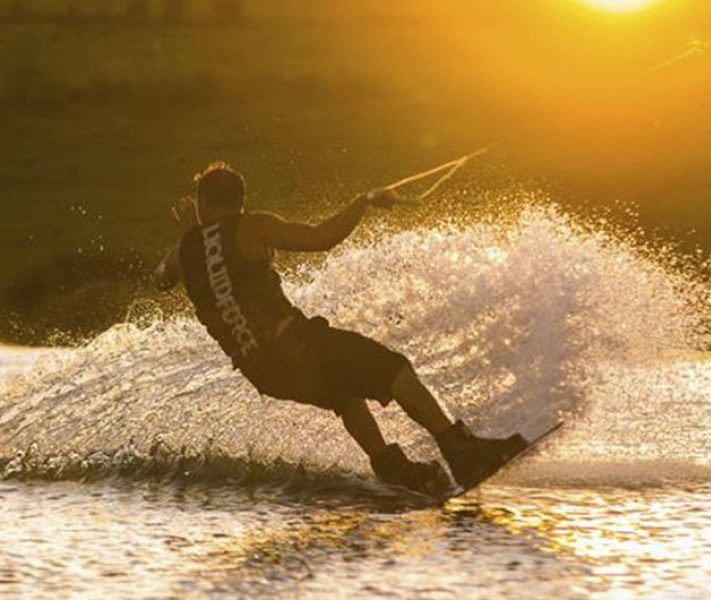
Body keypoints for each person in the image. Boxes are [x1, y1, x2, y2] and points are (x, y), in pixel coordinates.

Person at [154, 162, 524, 496]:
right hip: (295, 345)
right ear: (240, 200)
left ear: (202, 203)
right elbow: (321, 238)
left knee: (344, 394)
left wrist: (190, 235)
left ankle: (395, 470)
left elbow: (161, 280)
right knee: (394, 368)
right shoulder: (251, 226)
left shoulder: (181, 253)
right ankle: (461, 451)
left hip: (263, 371)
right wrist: (361, 202)